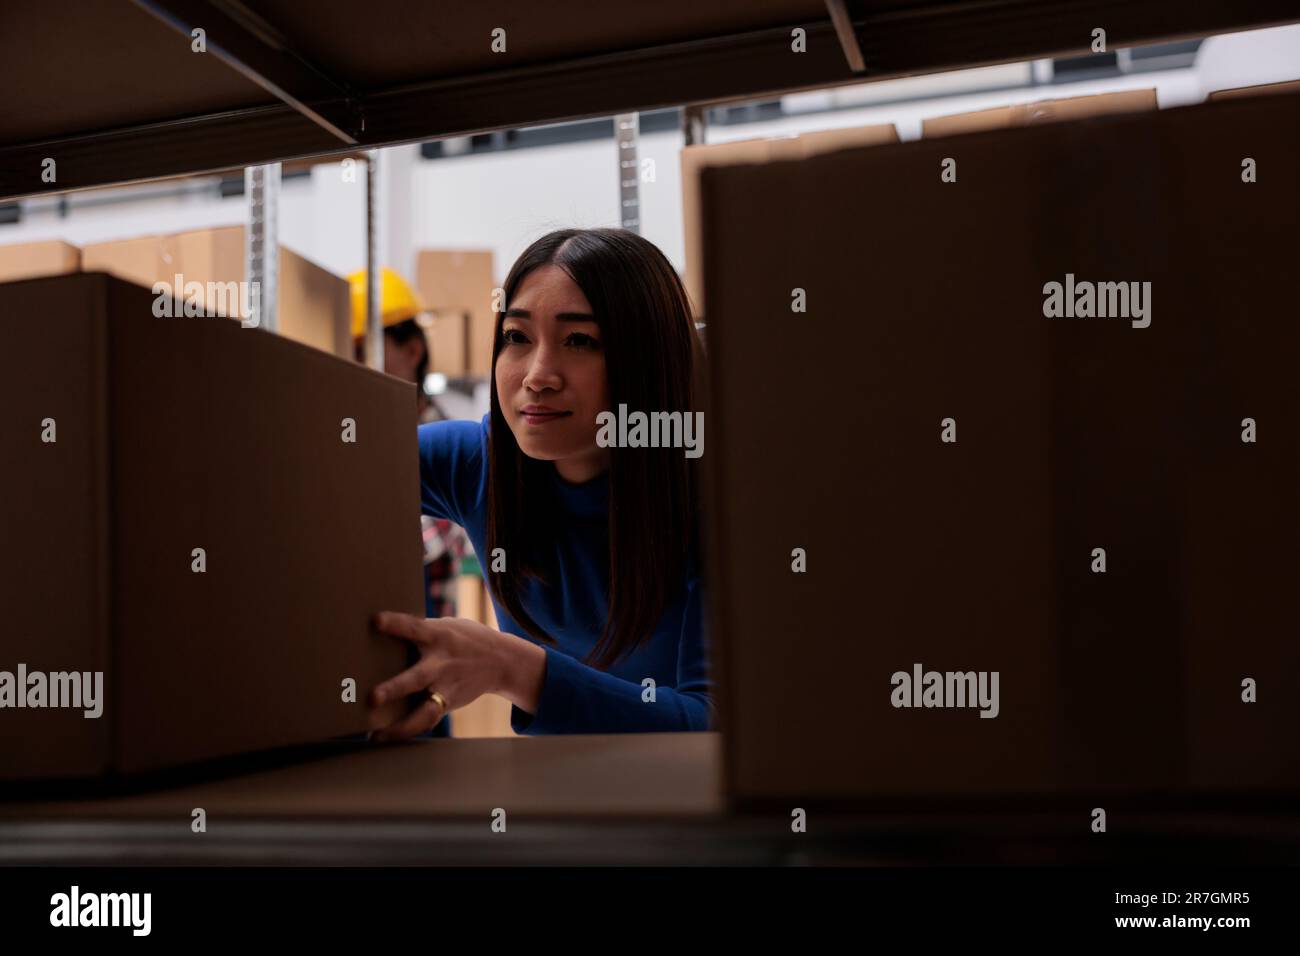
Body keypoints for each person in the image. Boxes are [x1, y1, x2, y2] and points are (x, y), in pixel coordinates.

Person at [367, 228, 713, 738]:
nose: (537, 374)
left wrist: (513, 667)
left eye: (580, 341)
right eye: (516, 337)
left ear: (648, 359)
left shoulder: (717, 498)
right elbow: (300, 474)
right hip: (549, 797)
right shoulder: (478, 462)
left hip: (680, 808)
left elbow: (711, 728)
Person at [348, 266, 467, 736]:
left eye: (363, 351)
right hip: (363, 671)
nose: (352, 363)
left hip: (423, 678)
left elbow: (416, 544)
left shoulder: (445, 443)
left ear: (412, 350)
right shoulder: (356, 435)